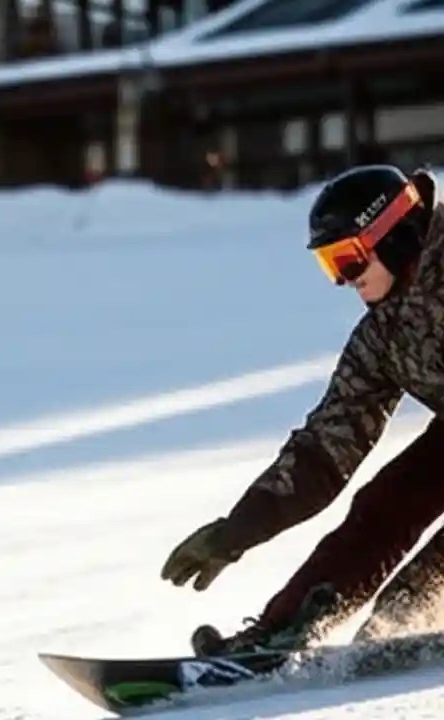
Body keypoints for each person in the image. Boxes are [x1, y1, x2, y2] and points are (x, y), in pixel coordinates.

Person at [159, 163, 444, 657]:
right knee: (385, 505)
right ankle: (279, 635)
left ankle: (405, 623)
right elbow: (327, 448)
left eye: (349, 261)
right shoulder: (384, 336)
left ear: (393, 235)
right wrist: (239, 529)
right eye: (331, 266)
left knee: (410, 601)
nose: (343, 281)